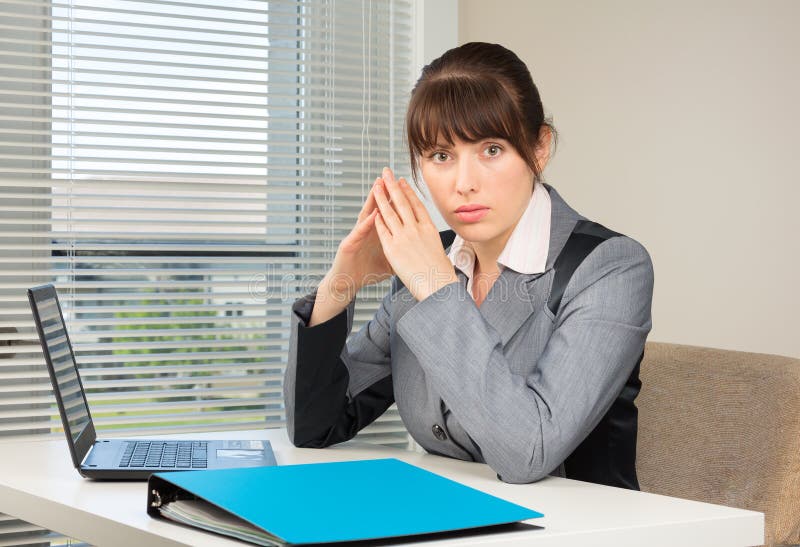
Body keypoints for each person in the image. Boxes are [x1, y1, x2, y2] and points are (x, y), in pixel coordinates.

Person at [283, 42, 654, 488]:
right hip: (449, 513)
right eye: (441, 156)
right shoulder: (430, 259)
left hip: (572, 522)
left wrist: (437, 290)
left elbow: (528, 453)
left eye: (491, 150)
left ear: (539, 148)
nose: (463, 184)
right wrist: (342, 283)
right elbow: (316, 425)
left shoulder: (610, 267)